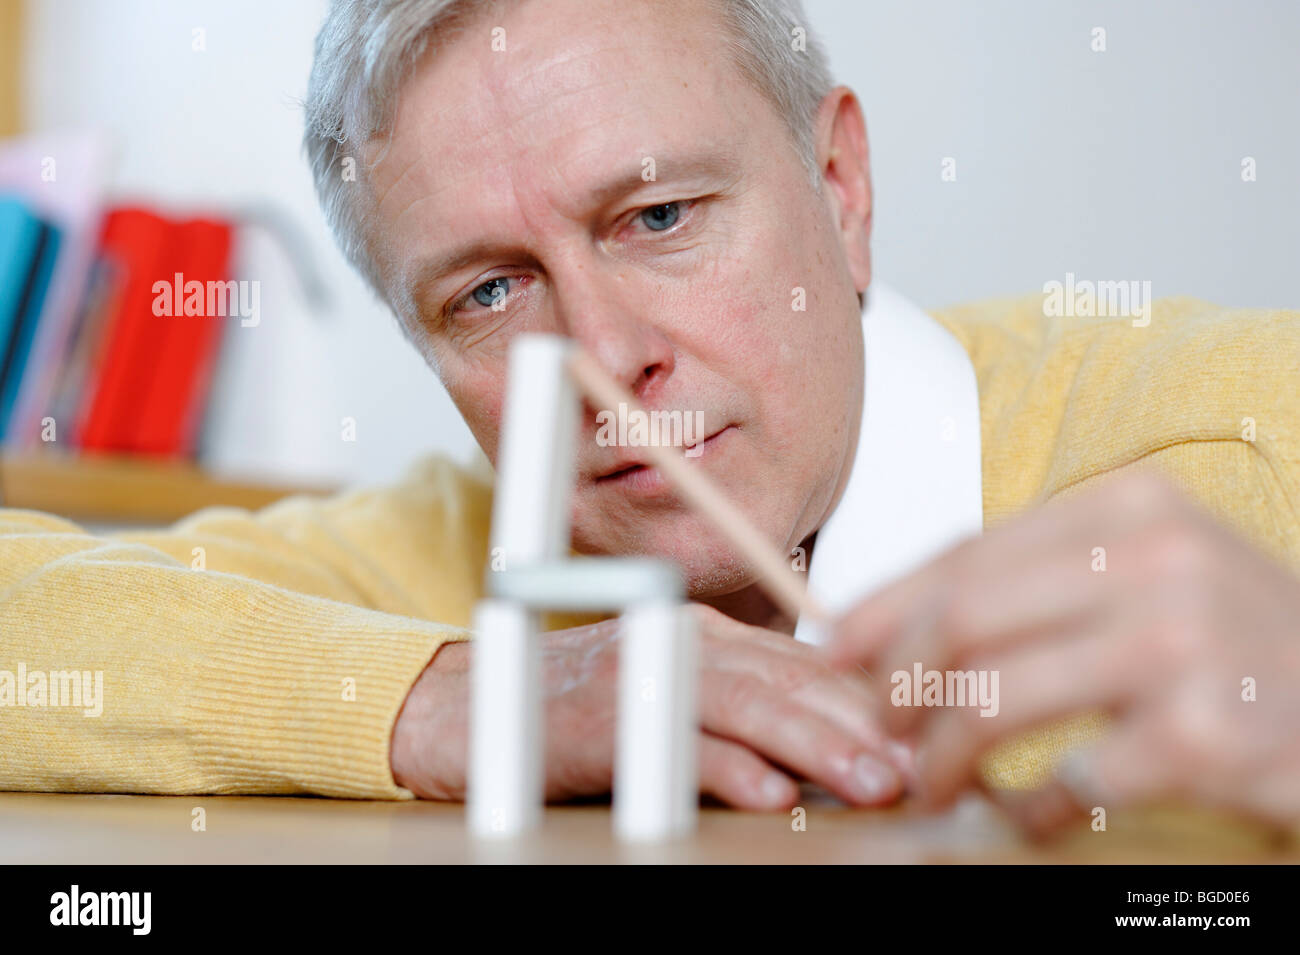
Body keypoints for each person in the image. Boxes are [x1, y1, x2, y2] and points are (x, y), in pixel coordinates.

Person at [2, 0, 1296, 837]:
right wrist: (467, 702)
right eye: (491, 291)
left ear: (840, 189)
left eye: (659, 217)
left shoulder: (1249, 425)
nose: (607, 361)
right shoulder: (444, 562)